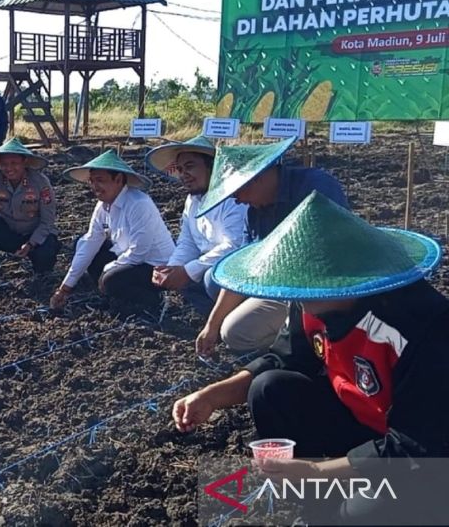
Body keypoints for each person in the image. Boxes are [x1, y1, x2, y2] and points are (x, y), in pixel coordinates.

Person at [172, 192, 448, 525]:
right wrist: (214, 395)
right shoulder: (311, 302)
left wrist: (317, 470)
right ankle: (317, 495)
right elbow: (285, 359)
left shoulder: (424, 326)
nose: (293, 293)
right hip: (362, 425)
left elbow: (416, 447)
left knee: (360, 513)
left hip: (424, 454)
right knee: (269, 388)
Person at [194, 137, 347, 356]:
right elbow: (244, 267)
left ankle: (305, 344)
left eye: (237, 191)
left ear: (257, 177)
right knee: (233, 331)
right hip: (281, 286)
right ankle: (290, 340)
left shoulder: (316, 188)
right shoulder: (254, 212)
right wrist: (212, 325)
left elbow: (331, 254)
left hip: (327, 286)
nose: (237, 200)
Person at [50, 150, 174, 311]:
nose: (95, 186)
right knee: (82, 244)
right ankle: (110, 295)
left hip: (156, 266)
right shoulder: (103, 206)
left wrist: (109, 269)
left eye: (100, 180)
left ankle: (153, 301)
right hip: (128, 258)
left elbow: (139, 251)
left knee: (112, 279)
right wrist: (65, 288)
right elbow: (90, 242)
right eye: (92, 181)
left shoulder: (138, 204)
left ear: (118, 179)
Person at [145, 136, 246, 314]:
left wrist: (188, 271)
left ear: (212, 166)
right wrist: (173, 268)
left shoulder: (233, 198)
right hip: (207, 263)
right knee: (189, 279)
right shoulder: (192, 201)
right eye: (180, 169)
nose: (184, 174)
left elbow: (234, 245)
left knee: (210, 279)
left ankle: (230, 317)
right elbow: (188, 241)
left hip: (239, 267)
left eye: (190, 167)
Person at [0, 138, 59, 284]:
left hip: (34, 235)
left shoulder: (40, 182)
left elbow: (47, 221)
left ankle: (42, 272)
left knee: (45, 254)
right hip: (8, 233)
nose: (9, 168)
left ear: (24, 163)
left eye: (14, 163)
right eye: (4, 164)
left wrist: (31, 244)